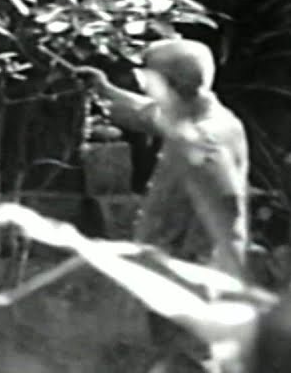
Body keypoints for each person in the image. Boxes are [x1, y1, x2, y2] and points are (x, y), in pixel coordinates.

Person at [75, 39, 250, 373]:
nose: (144, 85)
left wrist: (188, 277)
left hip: (194, 279)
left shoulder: (206, 139)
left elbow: (224, 214)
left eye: (148, 79)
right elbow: (149, 114)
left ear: (170, 85)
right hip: (173, 270)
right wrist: (106, 90)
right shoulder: (195, 114)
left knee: (192, 360)